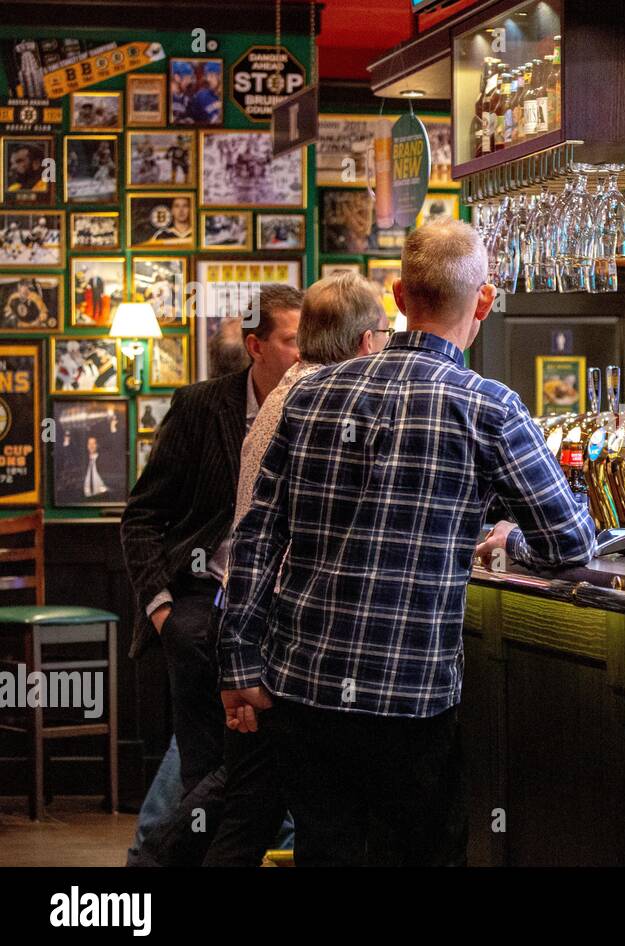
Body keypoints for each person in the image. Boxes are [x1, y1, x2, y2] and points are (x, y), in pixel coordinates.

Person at [218, 219, 596, 866]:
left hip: (303, 689)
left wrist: (238, 666)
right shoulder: (490, 408)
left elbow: (256, 535)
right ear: (483, 301)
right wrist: (505, 538)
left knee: (327, 853)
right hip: (410, 695)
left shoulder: (309, 395)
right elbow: (572, 546)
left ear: (397, 292)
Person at [202, 272, 390, 866]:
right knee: (254, 812)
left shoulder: (290, 389)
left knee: (253, 805)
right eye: (384, 332)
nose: (387, 345)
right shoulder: (322, 403)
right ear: (365, 342)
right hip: (280, 633)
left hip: (253, 625)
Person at [120, 284, 301, 862]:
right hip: (199, 608)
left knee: (244, 766)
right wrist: (163, 610)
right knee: (214, 763)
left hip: (275, 616)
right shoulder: (202, 406)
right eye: (293, 340)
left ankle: (150, 857)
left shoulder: (317, 407)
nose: (306, 353)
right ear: (256, 345)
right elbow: (142, 516)